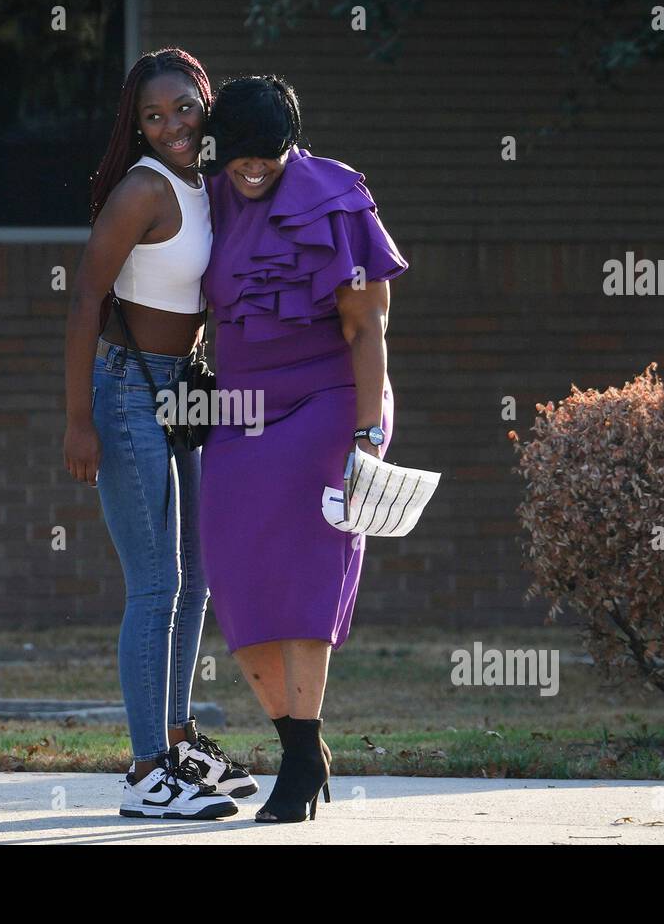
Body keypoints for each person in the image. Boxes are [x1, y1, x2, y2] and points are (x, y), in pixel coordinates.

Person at [199, 75, 408, 823]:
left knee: (309, 567)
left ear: (291, 147)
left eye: (268, 157)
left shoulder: (336, 197)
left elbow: (366, 329)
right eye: (240, 158)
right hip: (241, 406)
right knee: (235, 569)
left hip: (329, 399)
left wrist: (367, 435)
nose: (253, 171)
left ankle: (299, 754)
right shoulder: (211, 194)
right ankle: (297, 743)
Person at [62, 48, 257, 819]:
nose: (172, 124)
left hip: (183, 392)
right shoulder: (142, 191)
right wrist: (79, 422)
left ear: (206, 104)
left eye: (183, 108)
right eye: (153, 115)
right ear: (136, 128)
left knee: (198, 573)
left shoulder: (210, 186)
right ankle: (147, 774)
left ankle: (178, 742)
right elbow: (84, 301)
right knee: (156, 584)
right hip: (125, 390)